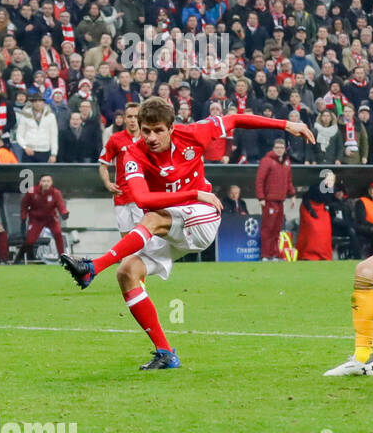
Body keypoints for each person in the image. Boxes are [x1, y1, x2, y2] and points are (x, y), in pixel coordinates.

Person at [59, 97, 314, 370]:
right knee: (127, 272)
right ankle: (166, 353)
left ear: (171, 127)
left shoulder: (194, 133)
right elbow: (143, 199)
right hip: (174, 224)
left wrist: (287, 124)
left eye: (158, 130)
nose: (152, 137)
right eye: (146, 131)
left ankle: (93, 267)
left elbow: (237, 119)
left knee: (153, 220)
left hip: (202, 218)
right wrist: (194, 190)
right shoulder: (134, 154)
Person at [97, 101, 142, 236]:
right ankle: (128, 258)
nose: (133, 120)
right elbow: (103, 165)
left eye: (136, 116)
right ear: (124, 119)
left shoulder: (148, 138)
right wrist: (107, 183)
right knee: (126, 237)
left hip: (142, 194)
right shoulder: (115, 139)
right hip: (121, 194)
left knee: (143, 235)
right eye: (129, 117)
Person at [256, 137, 293, 260]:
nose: (279, 150)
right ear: (273, 148)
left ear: (285, 149)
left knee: (277, 229)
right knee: (268, 228)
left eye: (281, 147)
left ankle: (274, 254)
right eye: (277, 147)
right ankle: (265, 255)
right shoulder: (266, 161)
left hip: (280, 199)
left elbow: (288, 181)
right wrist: (261, 197)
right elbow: (260, 180)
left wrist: (292, 195)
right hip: (269, 199)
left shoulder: (286, 163)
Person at [18, 175, 68, 260]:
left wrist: (64, 213)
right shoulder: (32, 192)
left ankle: (62, 257)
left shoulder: (56, 193)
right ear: (40, 182)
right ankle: (22, 258)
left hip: (51, 219)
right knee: (30, 240)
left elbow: (61, 205)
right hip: (36, 219)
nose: (46, 183)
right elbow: (24, 205)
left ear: (51, 183)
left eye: (48, 181)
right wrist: (23, 218)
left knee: (58, 233)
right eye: (44, 181)